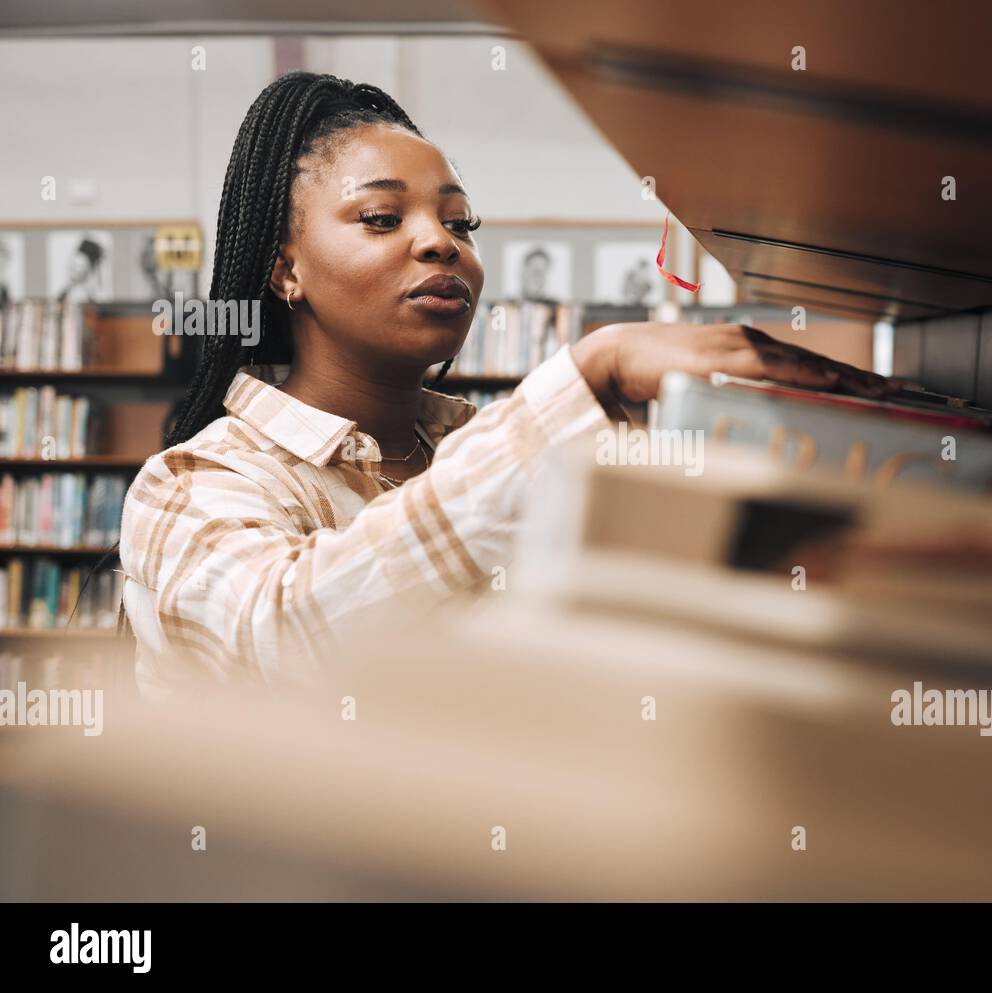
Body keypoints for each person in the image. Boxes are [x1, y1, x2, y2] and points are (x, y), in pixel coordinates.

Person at [117, 71, 892, 699]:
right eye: (382, 217)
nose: (440, 243)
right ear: (287, 269)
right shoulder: (193, 483)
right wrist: (593, 368)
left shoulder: (484, 451)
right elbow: (290, 637)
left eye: (461, 224)